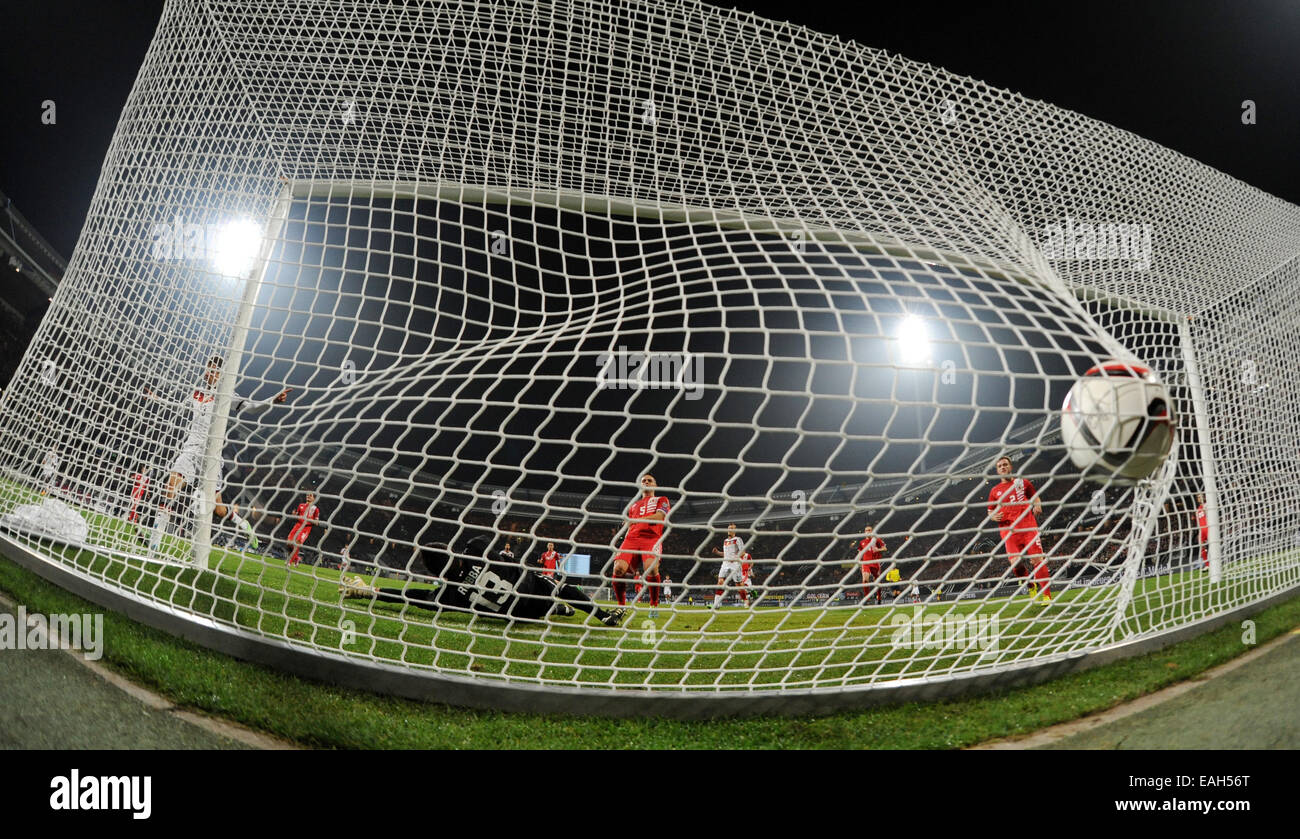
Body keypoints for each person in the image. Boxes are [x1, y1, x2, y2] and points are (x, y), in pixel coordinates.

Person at [142, 355, 290, 553]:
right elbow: (178, 406)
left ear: (221, 375)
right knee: (171, 485)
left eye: (212, 370)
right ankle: (155, 542)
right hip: (191, 449)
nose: (208, 373)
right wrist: (157, 399)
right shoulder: (196, 393)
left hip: (212, 457)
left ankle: (244, 525)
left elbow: (251, 407)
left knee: (218, 510)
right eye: (208, 368)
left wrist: (272, 400)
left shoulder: (226, 394)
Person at [340, 534, 627, 627]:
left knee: (535, 595)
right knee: (560, 587)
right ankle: (603, 617)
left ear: (437, 575)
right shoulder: (476, 549)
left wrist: (371, 591)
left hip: (521, 617)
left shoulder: (448, 595)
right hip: (536, 591)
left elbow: (409, 595)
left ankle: (561, 609)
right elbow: (486, 547)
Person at [987, 455, 1051, 603]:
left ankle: (1047, 595)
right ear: (997, 471)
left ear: (1011, 467)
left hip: (1028, 527)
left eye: (1005, 464)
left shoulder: (1023, 483)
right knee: (1016, 565)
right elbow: (990, 511)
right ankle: (1030, 584)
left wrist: (1037, 504)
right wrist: (993, 516)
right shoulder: (994, 491)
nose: (1003, 467)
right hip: (1009, 532)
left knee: (1037, 560)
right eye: (1000, 466)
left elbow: (1035, 497)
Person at [611, 474, 669, 617]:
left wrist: (635, 520)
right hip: (631, 539)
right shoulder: (633, 506)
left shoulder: (661, 500)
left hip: (651, 538)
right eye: (643, 481)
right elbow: (630, 525)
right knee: (618, 569)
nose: (646, 482)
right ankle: (621, 607)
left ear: (655, 485)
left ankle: (654, 605)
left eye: (649, 480)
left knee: (651, 569)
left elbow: (660, 517)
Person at [710, 523, 745, 609]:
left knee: (738, 586)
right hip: (725, 563)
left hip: (735, 564)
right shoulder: (725, 541)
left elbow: (743, 552)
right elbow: (725, 554)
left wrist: (735, 558)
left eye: (732, 528)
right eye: (729, 528)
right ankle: (716, 605)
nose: (730, 530)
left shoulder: (738, 539)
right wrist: (717, 552)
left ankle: (746, 600)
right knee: (720, 582)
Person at [286, 491, 320, 566]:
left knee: (297, 543)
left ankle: (289, 561)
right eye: (307, 495)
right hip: (298, 525)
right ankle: (296, 558)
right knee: (288, 543)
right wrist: (294, 515)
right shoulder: (300, 505)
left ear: (314, 498)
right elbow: (297, 516)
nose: (308, 496)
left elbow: (317, 522)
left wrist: (309, 519)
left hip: (306, 528)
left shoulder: (315, 509)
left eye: (310, 495)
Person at [856, 524, 886, 605]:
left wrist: (878, 549)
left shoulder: (877, 539)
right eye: (866, 530)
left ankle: (879, 597)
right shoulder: (862, 542)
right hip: (865, 563)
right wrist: (858, 560)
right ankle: (867, 599)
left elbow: (885, 548)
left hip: (875, 563)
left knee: (877, 581)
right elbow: (859, 552)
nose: (868, 532)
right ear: (864, 532)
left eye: (869, 530)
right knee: (865, 579)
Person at [1196, 493, 1209, 570]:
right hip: (1202, 530)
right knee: (1202, 547)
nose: (1199, 498)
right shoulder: (1198, 509)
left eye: (1200, 496)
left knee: (1212, 546)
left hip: (1208, 528)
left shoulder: (1207, 505)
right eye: (1197, 497)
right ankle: (1207, 565)